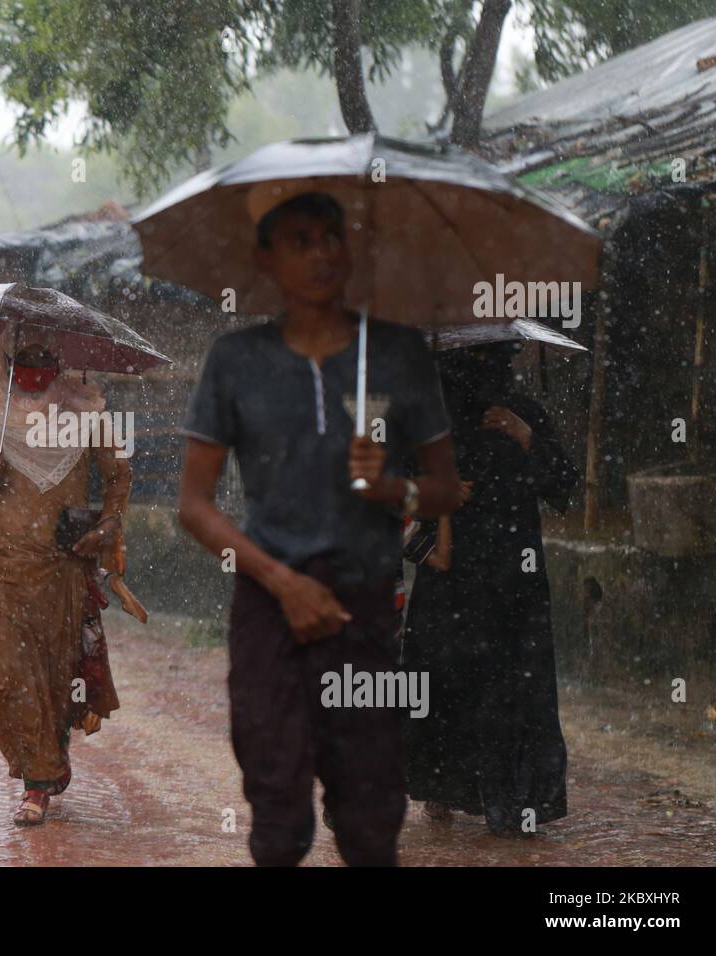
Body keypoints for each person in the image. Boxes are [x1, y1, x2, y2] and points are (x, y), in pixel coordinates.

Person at [177, 190, 463, 866]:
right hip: (268, 610)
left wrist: (393, 488)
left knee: (371, 814)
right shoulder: (235, 359)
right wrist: (283, 583)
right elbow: (194, 504)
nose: (322, 253)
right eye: (300, 240)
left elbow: (449, 488)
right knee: (276, 811)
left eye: (332, 237)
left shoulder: (396, 353)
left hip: (364, 607)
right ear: (266, 258)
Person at [0, 330, 131, 825]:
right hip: (1, 569)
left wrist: (110, 522)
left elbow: (118, 475)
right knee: (8, 677)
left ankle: (47, 769)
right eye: (23, 359)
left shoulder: (86, 415)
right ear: (5, 362)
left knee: (53, 678)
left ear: (60, 362)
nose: (34, 368)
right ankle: (36, 779)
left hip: (62, 568)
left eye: (44, 358)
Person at [402, 343, 578, 836]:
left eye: (494, 357)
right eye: (475, 359)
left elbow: (564, 485)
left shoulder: (523, 413)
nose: (485, 369)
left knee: (512, 686)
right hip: (450, 576)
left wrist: (528, 439)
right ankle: (443, 785)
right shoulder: (425, 421)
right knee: (446, 680)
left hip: (513, 582)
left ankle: (513, 802)